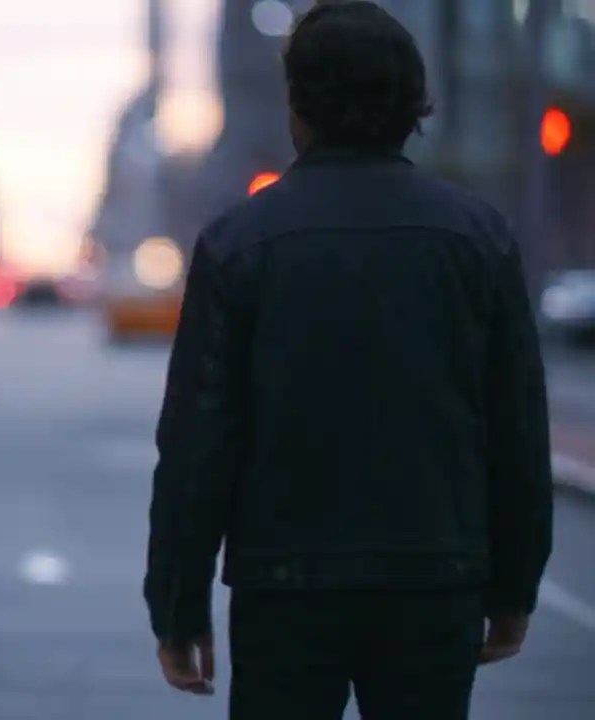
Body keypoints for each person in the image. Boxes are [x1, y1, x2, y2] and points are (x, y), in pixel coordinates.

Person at [142, 2, 553, 718]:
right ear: (414, 103)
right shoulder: (478, 238)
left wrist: (178, 606)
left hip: (286, 587)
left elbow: (197, 443)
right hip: (435, 578)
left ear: (297, 105)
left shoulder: (240, 243)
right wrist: (514, 587)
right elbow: (517, 428)